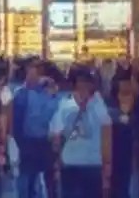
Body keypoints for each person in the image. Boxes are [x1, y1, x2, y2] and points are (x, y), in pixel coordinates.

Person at [49, 68, 111, 198]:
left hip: (70, 163)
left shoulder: (65, 105)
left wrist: (57, 159)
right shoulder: (101, 108)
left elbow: (55, 136)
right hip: (92, 164)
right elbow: (106, 139)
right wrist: (107, 168)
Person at [13, 61, 60, 198]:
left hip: (44, 142)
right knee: (29, 177)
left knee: (41, 178)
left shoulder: (49, 94)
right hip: (30, 142)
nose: (30, 77)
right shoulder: (22, 94)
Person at [105, 74, 137, 198]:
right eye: (125, 94)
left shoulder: (132, 116)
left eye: (130, 94)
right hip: (115, 162)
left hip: (126, 164)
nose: (129, 98)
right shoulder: (113, 115)